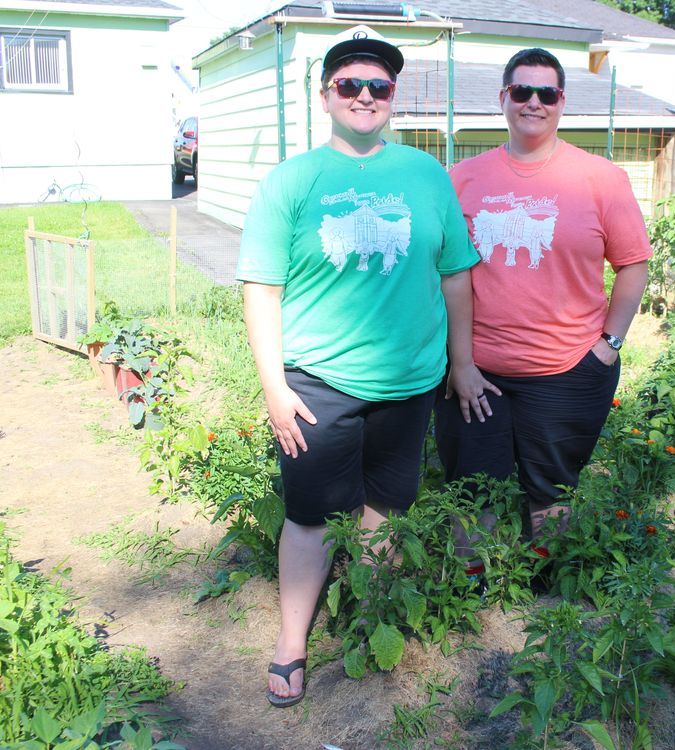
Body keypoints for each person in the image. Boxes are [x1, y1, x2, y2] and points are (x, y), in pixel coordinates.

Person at [237, 26, 485, 708]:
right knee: (311, 516)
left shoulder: (426, 175)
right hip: (318, 386)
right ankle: (292, 645)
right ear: (327, 96)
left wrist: (460, 364)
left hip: (409, 384)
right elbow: (262, 287)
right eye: (351, 84)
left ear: (393, 98)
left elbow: (456, 275)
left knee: (385, 506)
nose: (366, 96)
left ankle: (370, 618)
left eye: (379, 86)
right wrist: (274, 388)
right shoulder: (294, 180)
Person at [435, 47, 651, 555]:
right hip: (475, 371)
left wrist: (609, 345)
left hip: (568, 367)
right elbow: (446, 271)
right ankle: (470, 592)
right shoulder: (462, 180)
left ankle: (547, 594)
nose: (534, 102)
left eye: (546, 93)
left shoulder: (600, 179)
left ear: (561, 102)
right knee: (472, 493)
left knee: (551, 490)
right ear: (503, 98)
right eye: (522, 91)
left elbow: (633, 264)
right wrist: (457, 360)